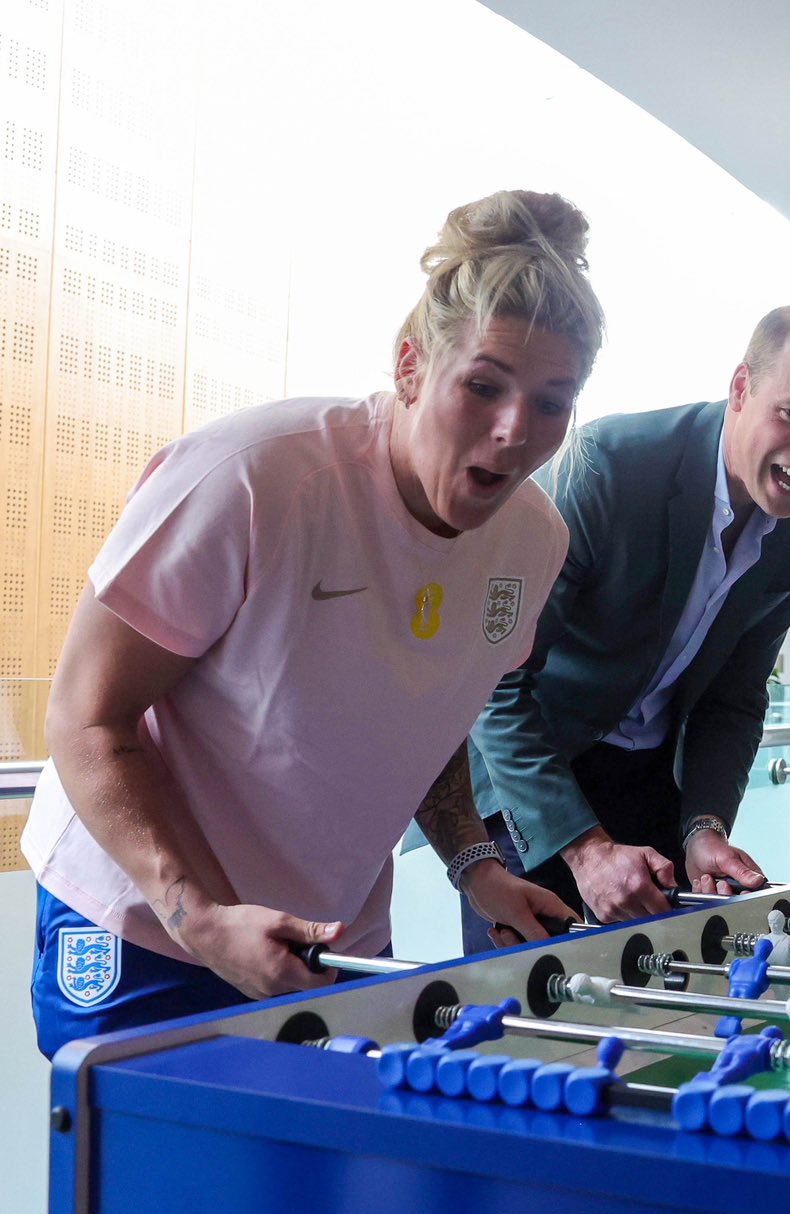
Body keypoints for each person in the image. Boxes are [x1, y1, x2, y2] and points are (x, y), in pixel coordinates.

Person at [22, 191, 604, 1057]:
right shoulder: (255, 478)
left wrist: (477, 869)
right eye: (483, 385)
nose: (516, 431)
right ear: (410, 367)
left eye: (553, 402)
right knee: (150, 1187)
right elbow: (84, 715)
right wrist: (205, 918)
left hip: (326, 938)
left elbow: (434, 719)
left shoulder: (533, 539)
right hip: (146, 921)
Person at [465, 306, 790, 948]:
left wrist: (704, 827)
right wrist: (586, 852)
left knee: (659, 1018)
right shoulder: (607, 467)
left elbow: (736, 695)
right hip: (531, 782)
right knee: (524, 1023)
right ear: (741, 389)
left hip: (650, 787)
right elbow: (490, 681)